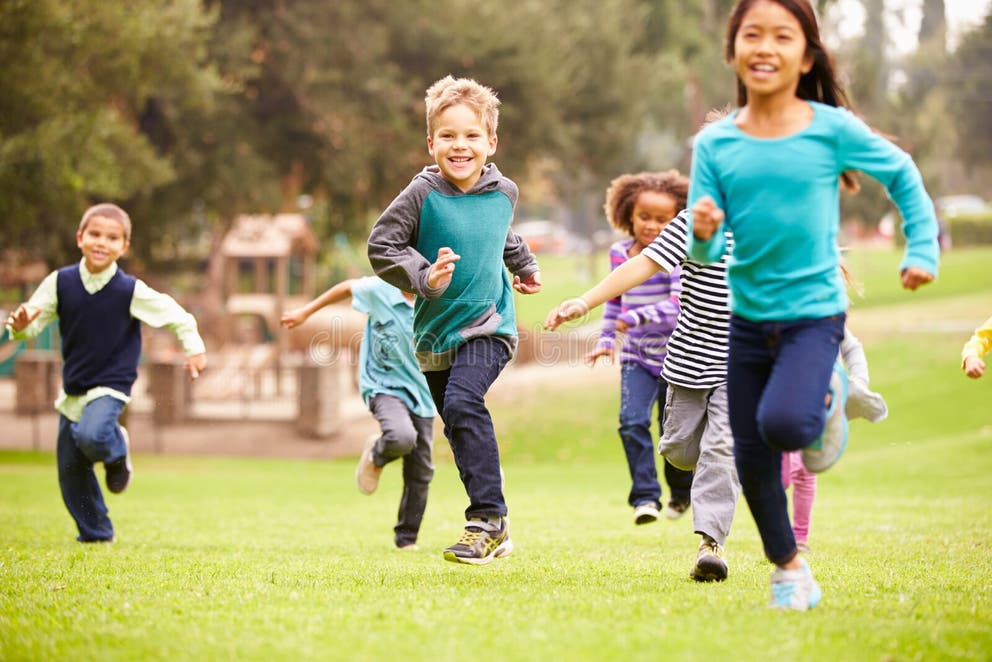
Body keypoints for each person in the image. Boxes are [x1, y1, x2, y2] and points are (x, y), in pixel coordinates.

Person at [687, 0, 939, 610]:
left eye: (783, 36)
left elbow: (902, 174)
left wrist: (923, 248)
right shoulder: (715, 144)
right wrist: (704, 231)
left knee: (784, 426)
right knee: (750, 456)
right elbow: (707, 253)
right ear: (732, 50)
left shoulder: (830, 128)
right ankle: (789, 569)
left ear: (806, 56)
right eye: (752, 35)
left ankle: (827, 395)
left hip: (813, 314)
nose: (765, 47)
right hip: (747, 318)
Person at [367, 75, 541, 565]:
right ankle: (496, 526)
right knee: (459, 425)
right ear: (430, 142)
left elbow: (502, 234)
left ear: (491, 142)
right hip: (433, 333)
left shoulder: (503, 191)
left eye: (471, 136)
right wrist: (425, 276)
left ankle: (486, 519)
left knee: (465, 401)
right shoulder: (422, 193)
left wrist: (523, 266)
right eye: (448, 135)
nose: (459, 145)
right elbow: (382, 245)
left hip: (490, 325)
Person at [547, 197, 742, 583]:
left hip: (740, 363)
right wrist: (585, 302)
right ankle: (696, 471)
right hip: (687, 362)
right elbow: (642, 264)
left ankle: (710, 545)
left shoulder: (771, 226)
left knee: (721, 448)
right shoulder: (692, 222)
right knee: (681, 450)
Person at [4, 203, 207, 543]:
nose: (102, 242)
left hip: (111, 385)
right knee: (70, 471)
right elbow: (30, 323)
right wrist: (22, 325)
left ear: (124, 246)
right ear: (80, 237)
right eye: (95, 234)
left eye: (112, 238)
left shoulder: (129, 290)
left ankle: (116, 448)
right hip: (73, 389)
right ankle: (96, 533)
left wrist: (194, 348)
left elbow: (177, 315)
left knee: (92, 435)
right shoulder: (60, 283)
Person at [281, 276, 436, 551]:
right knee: (401, 437)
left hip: (423, 393)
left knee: (421, 470)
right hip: (383, 385)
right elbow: (345, 287)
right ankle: (377, 454)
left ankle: (406, 539)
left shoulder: (435, 300)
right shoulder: (381, 291)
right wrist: (305, 312)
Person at [586, 171, 693, 526]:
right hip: (637, 358)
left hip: (678, 357)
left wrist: (636, 319)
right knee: (631, 422)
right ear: (628, 215)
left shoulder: (676, 257)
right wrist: (605, 340)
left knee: (672, 434)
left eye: (664, 220)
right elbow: (614, 302)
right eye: (645, 217)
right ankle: (646, 497)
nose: (652, 226)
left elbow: (679, 304)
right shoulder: (620, 254)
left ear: (678, 220)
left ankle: (681, 493)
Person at [781, 326, 888, 552]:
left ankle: (799, 538)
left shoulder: (831, 318)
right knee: (784, 475)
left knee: (807, 473)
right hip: (787, 399)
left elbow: (852, 348)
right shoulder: (787, 311)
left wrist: (859, 382)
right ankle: (777, 527)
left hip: (822, 401)